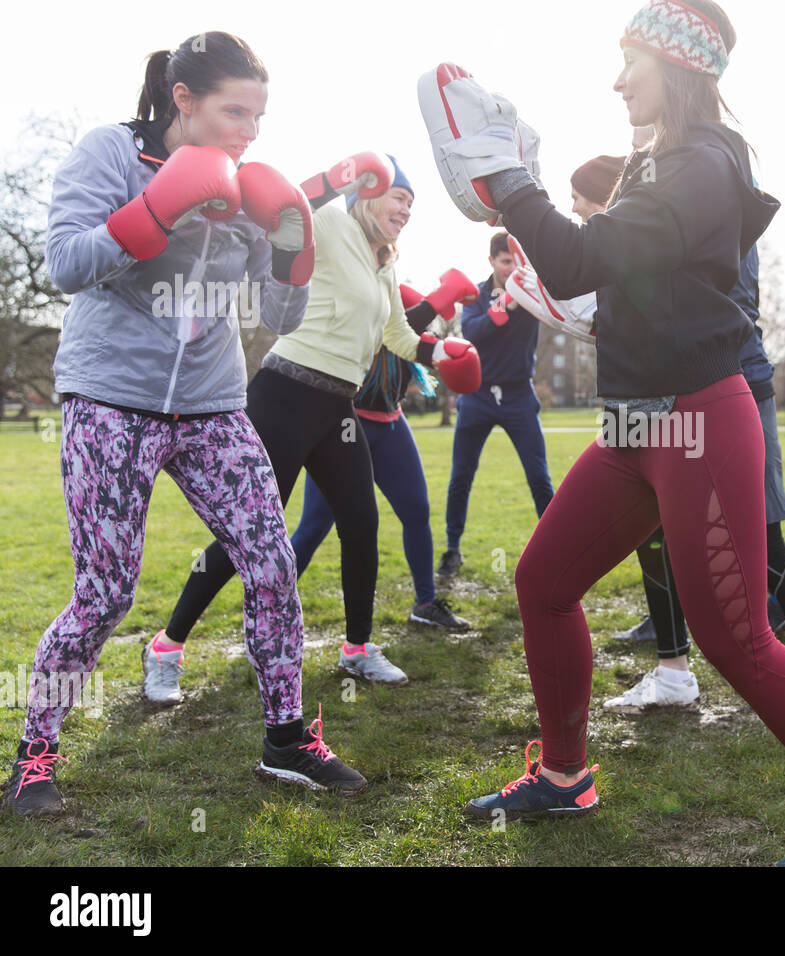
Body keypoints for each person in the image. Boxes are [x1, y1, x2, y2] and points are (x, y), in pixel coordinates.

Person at [423, 0, 785, 866]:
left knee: (737, 642)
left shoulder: (707, 162)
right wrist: (571, 294)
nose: (615, 82)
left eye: (629, 65)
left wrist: (507, 182)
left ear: (677, 67)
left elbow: (578, 255)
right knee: (542, 583)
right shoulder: (657, 163)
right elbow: (617, 280)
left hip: (696, 420)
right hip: (635, 423)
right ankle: (567, 777)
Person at [4, 32, 367, 815]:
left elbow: (278, 315)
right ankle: (35, 757)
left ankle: (285, 739)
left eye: (259, 115)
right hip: (110, 396)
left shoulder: (250, 188)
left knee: (271, 563)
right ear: (183, 100)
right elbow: (66, 263)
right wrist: (156, 210)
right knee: (105, 592)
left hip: (212, 404)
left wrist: (290, 248)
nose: (249, 129)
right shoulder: (109, 152)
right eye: (234, 110)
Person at [148, 152, 481, 696]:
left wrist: (441, 347)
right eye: (400, 197)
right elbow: (282, 206)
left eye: (411, 204)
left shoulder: (385, 261)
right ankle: (167, 646)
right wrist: (337, 178)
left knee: (361, 523)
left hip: (337, 407)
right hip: (285, 393)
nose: (406, 210)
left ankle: (356, 649)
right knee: (247, 533)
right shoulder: (330, 223)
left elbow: (396, 337)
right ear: (369, 193)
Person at [566, 154, 785, 719]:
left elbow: (706, 305)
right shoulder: (636, 222)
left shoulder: (699, 203)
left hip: (729, 388)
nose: (574, 208)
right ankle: (673, 669)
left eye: (579, 196)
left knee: (765, 544)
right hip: (638, 397)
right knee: (648, 535)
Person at [289, 233, 471, 633]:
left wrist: (446, 324)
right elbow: (391, 329)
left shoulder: (399, 299)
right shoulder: (356, 297)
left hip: (391, 425)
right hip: (344, 424)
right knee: (315, 527)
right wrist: (443, 297)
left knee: (416, 513)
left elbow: (411, 331)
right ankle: (271, 606)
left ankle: (425, 602)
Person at [436, 232, 554, 582]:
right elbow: (471, 331)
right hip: (478, 395)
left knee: (539, 477)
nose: (512, 268)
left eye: (517, 261)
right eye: (506, 261)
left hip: (518, 395)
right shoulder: (475, 294)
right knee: (461, 476)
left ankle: (555, 549)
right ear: (492, 262)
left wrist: (526, 295)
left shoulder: (533, 290)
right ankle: (452, 549)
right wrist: (504, 306)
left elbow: (558, 308)